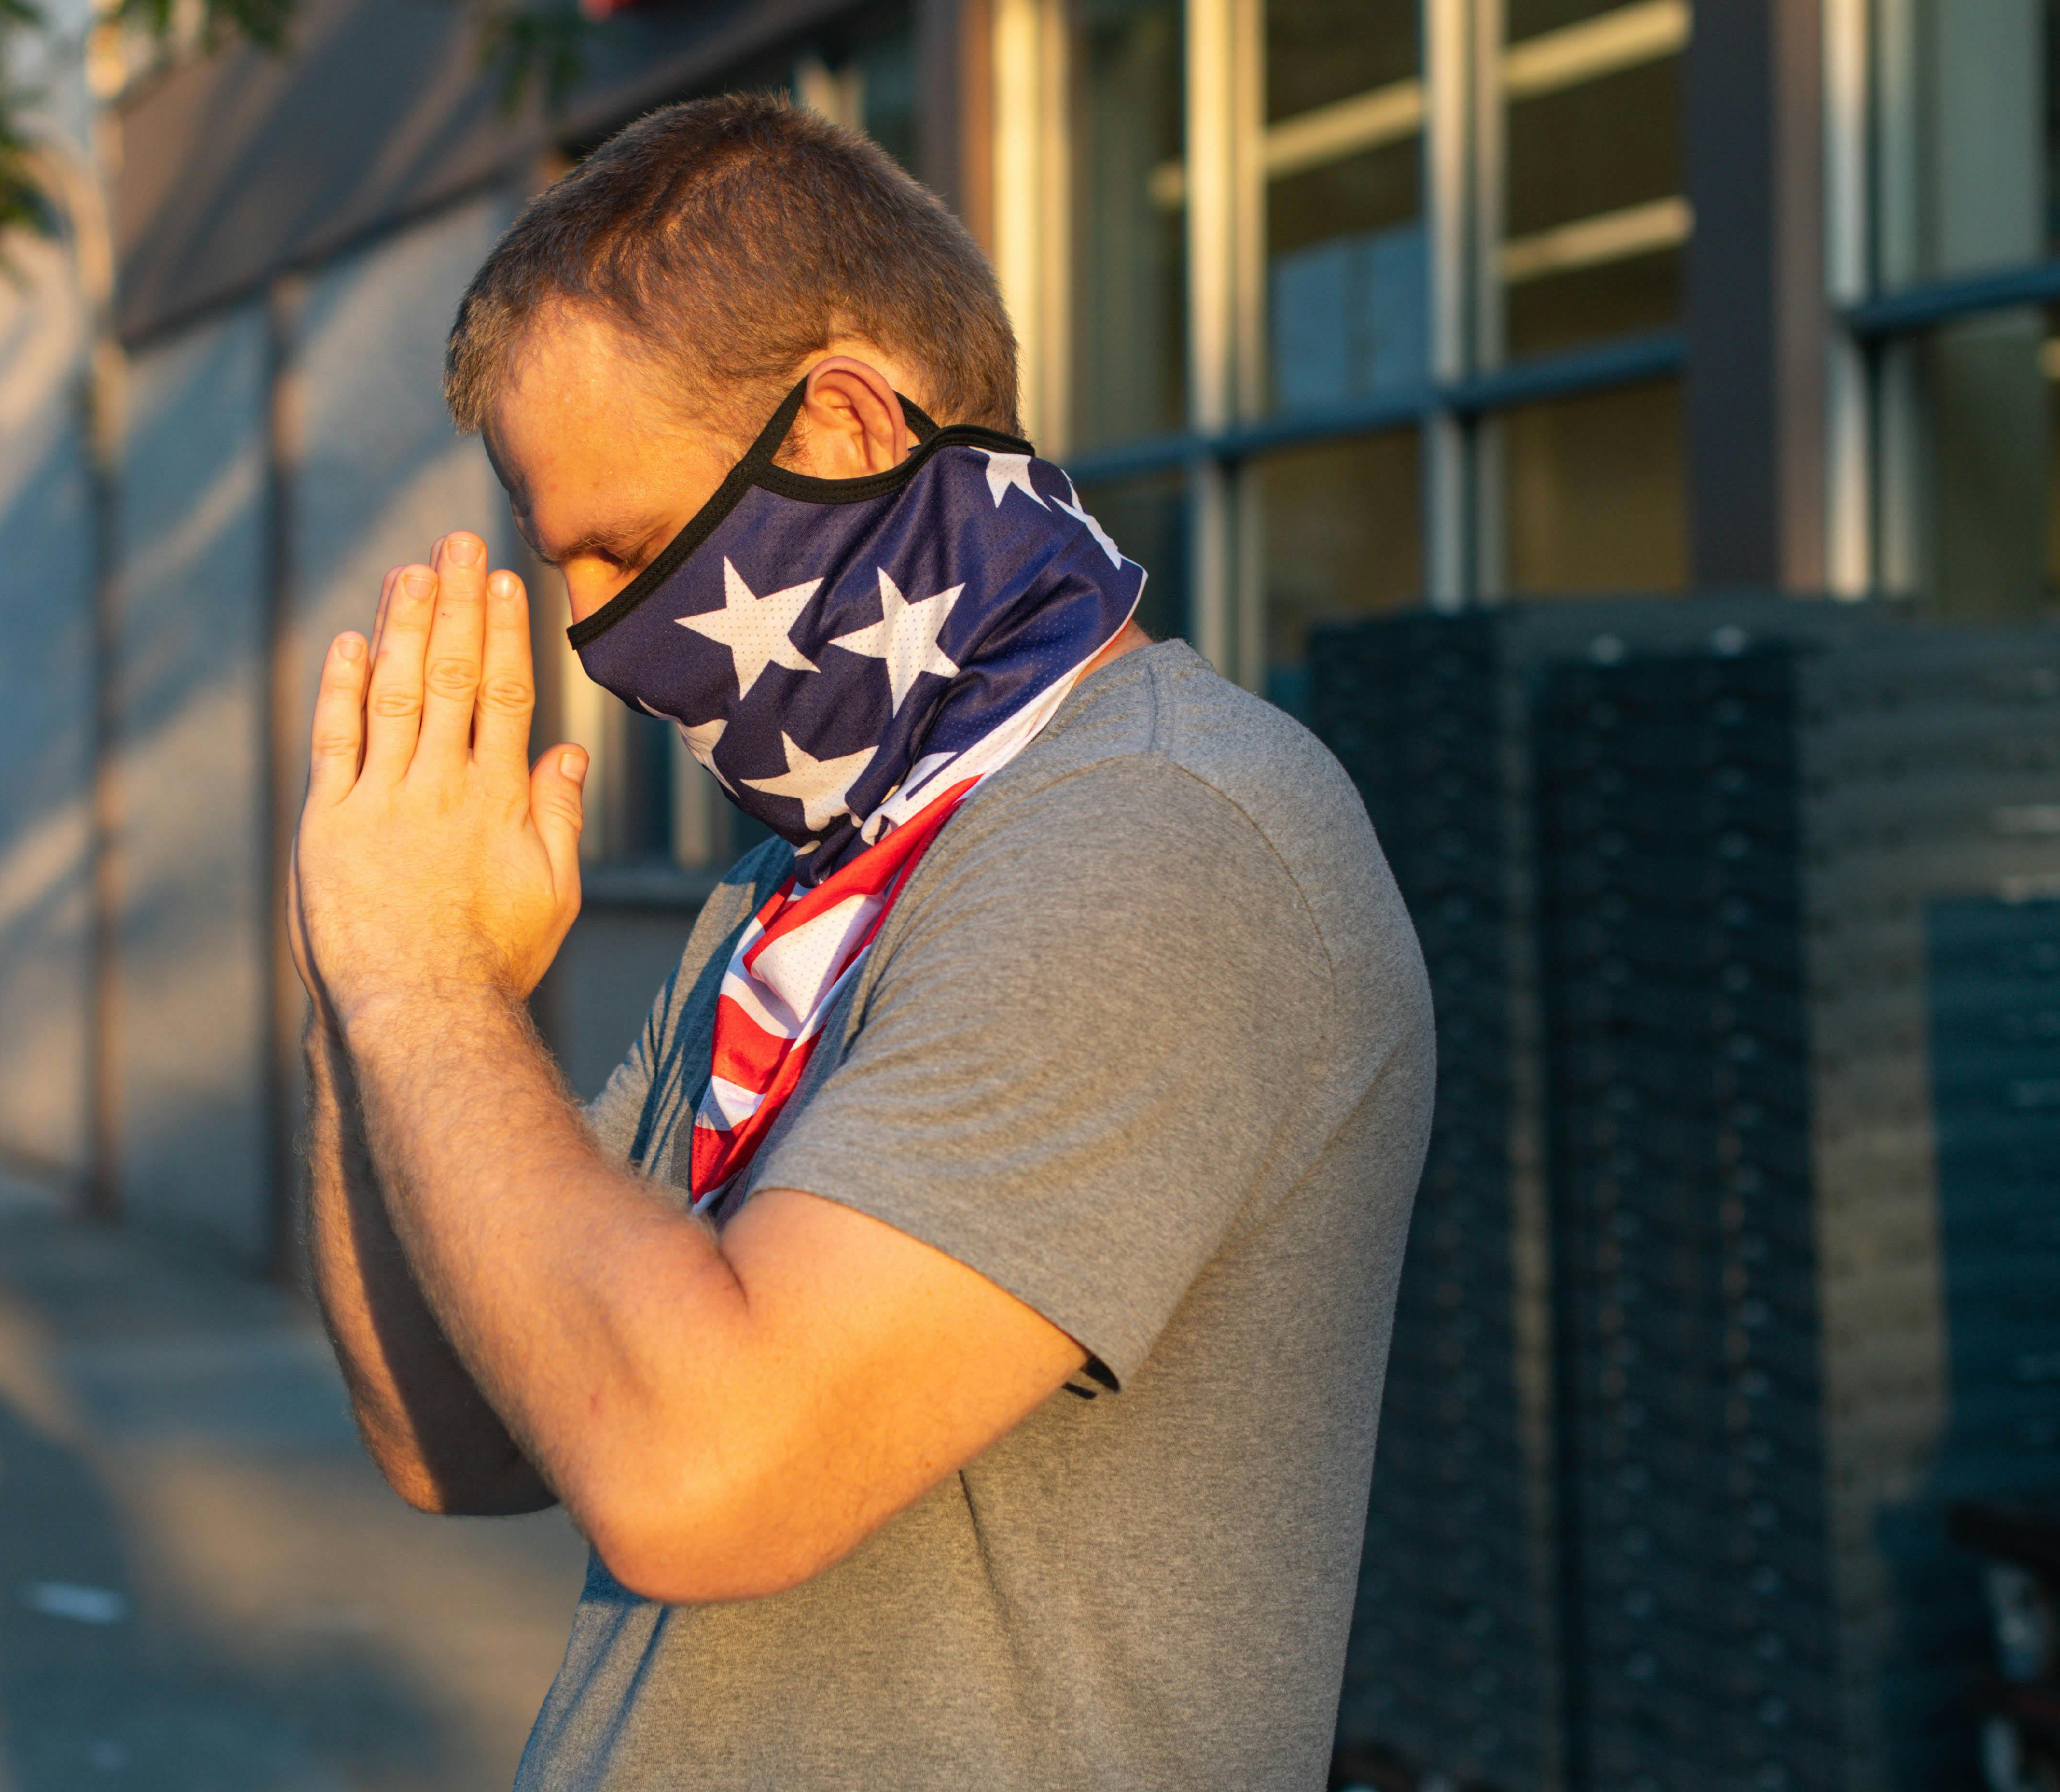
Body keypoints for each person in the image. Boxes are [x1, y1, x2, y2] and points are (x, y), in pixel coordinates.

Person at [289, 95, 1435, 1790]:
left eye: (624, 547)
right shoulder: (804, 886)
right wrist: (368, 991)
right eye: (565, 566)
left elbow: (697, 1476)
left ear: (840, 425)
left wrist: (424, 988)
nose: (595, 633)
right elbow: (453, 1432)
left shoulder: (1159, 838)